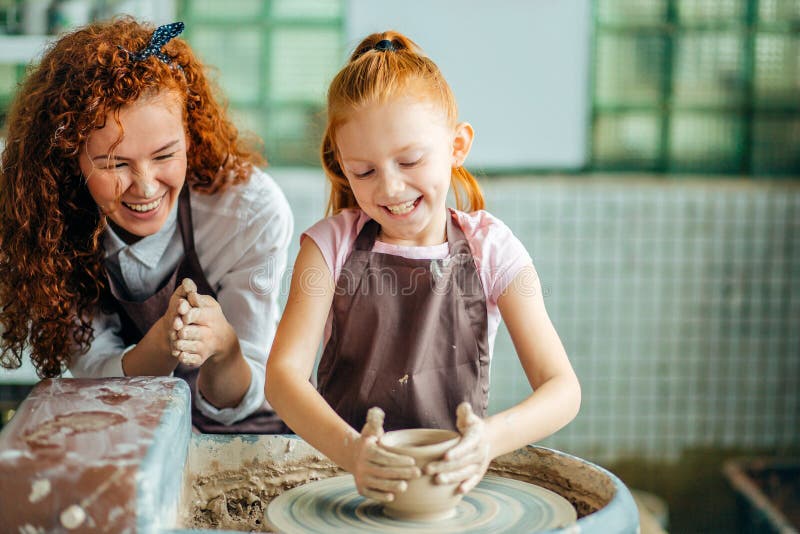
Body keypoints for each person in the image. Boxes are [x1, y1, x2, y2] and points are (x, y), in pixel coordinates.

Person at [265, 31, 581, 502]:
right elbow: (282, 377)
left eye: (410, 161)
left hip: (449, 489)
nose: (390, 188)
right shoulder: (328, 246)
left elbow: (563, 389)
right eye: (364, 171)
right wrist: (353, 453)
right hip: (344, 486)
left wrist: (488, 440)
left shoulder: (492, 248)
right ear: (341, 166)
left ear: (457, 146)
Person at [0, 18, 293, 433]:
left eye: (165, 155)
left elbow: (247, 394)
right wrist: (161, 344)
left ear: (189, 136)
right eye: (114, 164)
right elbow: (95, 377)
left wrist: (223, 348)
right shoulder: (51, 223)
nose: (145, 186)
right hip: (129, 430)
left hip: (245, 437)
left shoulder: (247, 211)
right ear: (71, 158)